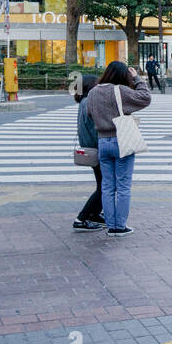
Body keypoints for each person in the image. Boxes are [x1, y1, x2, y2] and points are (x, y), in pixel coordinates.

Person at [85, 61, 152, 237]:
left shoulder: (93, 92)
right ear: (122, 76)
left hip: (103, 142)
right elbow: (145, 97)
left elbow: (89, 114)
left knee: (107, 186)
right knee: (123, 186)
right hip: (121, 140)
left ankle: (110, 225)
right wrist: (137, 78)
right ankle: (120, 226)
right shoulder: (119, 91)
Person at [71, 74, 104, 232]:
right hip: (96, 149)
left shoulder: (82, 102)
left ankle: (94, 214)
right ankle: (81, 218)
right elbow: (96, 128)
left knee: (103, 185)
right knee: (105, 186)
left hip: (90, 149)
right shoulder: (89, 102)